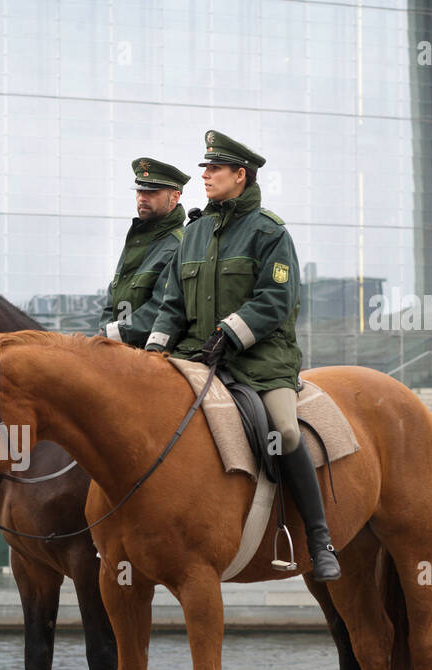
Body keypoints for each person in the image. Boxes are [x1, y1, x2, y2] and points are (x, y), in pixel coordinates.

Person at [145, 131, 340, 581]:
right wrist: (153, 352)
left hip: (261, 360)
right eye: (205, 168)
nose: (205, 175)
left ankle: (319, 539)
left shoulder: (270, 232)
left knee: (285, 431)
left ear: (240, 175)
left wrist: (229, 333)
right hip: (196, 356)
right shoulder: (192, 234)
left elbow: (276, 299)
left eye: (214, 169)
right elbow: (172, 304)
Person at [98, 157, 193, 347]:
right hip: (121, 350)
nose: (142, 197)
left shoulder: (180, 244)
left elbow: (164, 306)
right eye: (140, 191)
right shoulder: (137, 240)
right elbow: (116, 293)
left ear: (175, 197)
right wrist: (107, 330)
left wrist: (111, 335)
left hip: (155, 353)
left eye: (152, 192)